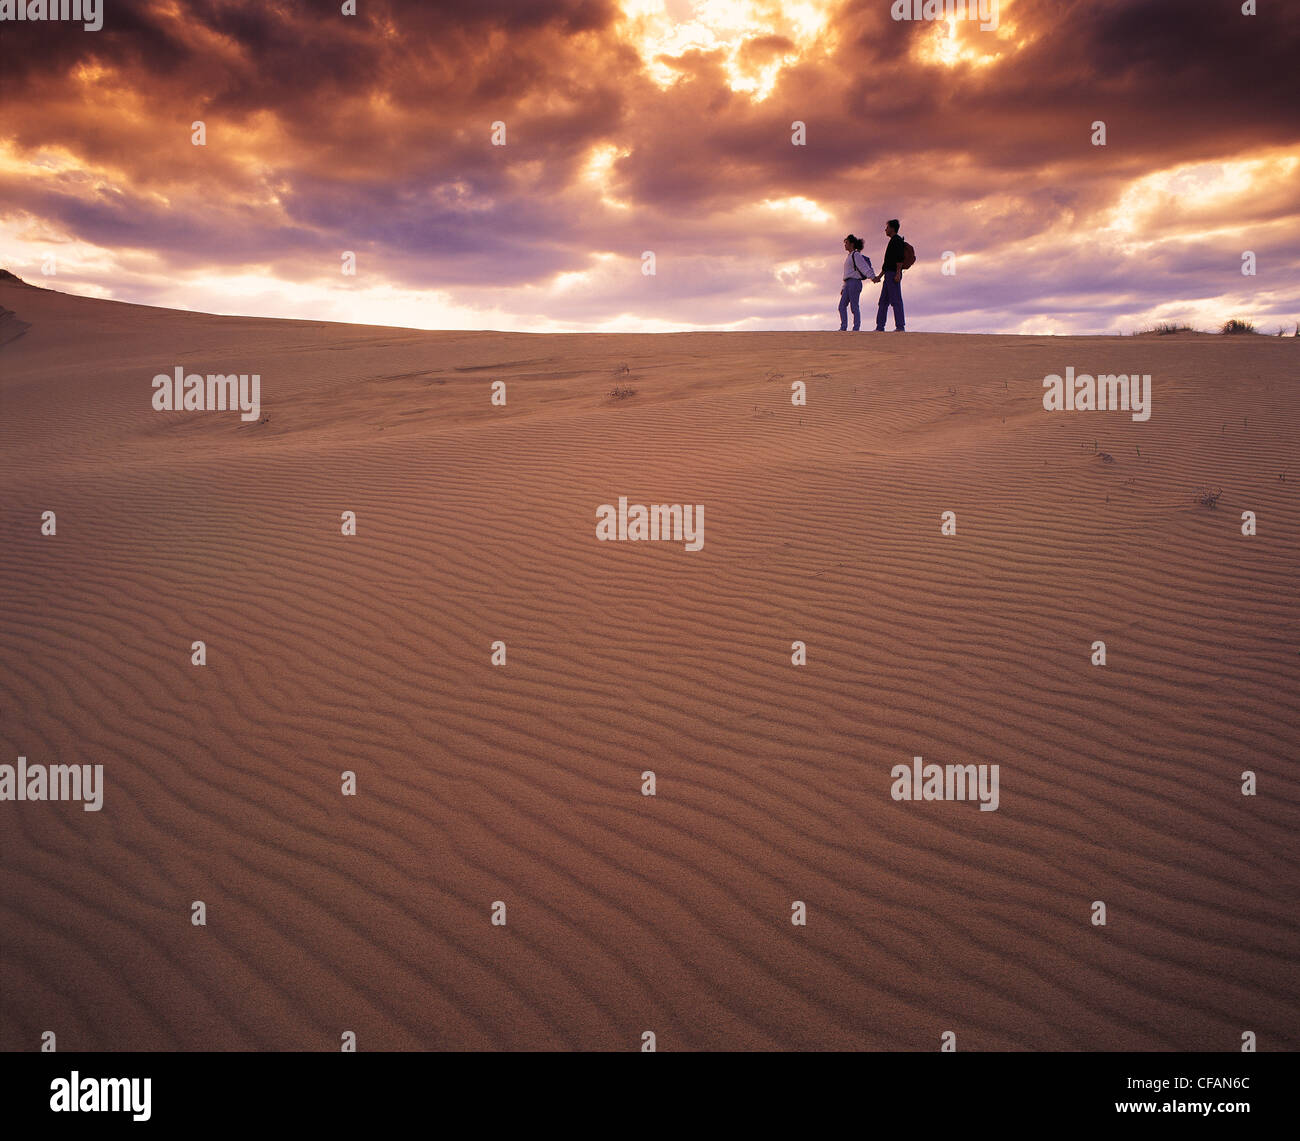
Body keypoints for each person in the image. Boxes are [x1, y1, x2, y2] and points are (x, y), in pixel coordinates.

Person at [871, 219, 906, 331]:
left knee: (896, 301)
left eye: (887, 227)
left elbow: (899, 259)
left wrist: (898, 273)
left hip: (893, 275)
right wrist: (879, 277)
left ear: (892, 228)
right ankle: (880, 327)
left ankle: (900, 327)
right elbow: (887, 264)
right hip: (888, 275)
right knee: (883, 301)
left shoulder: (897, 241)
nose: (885, 230)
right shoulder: (892, 241)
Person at [838, 234, 874, 331]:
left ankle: (856, 328)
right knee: (841, 306)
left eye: (846, 243)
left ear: (852, 244)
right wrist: (843, 287)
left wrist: (872, 277)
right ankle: (843, 327)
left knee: (854, 306)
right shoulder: (849, 256)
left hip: (854, 282)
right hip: (848, 283)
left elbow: (863, 267)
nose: (845, 245)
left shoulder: (856, 254)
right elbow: (847, 273)